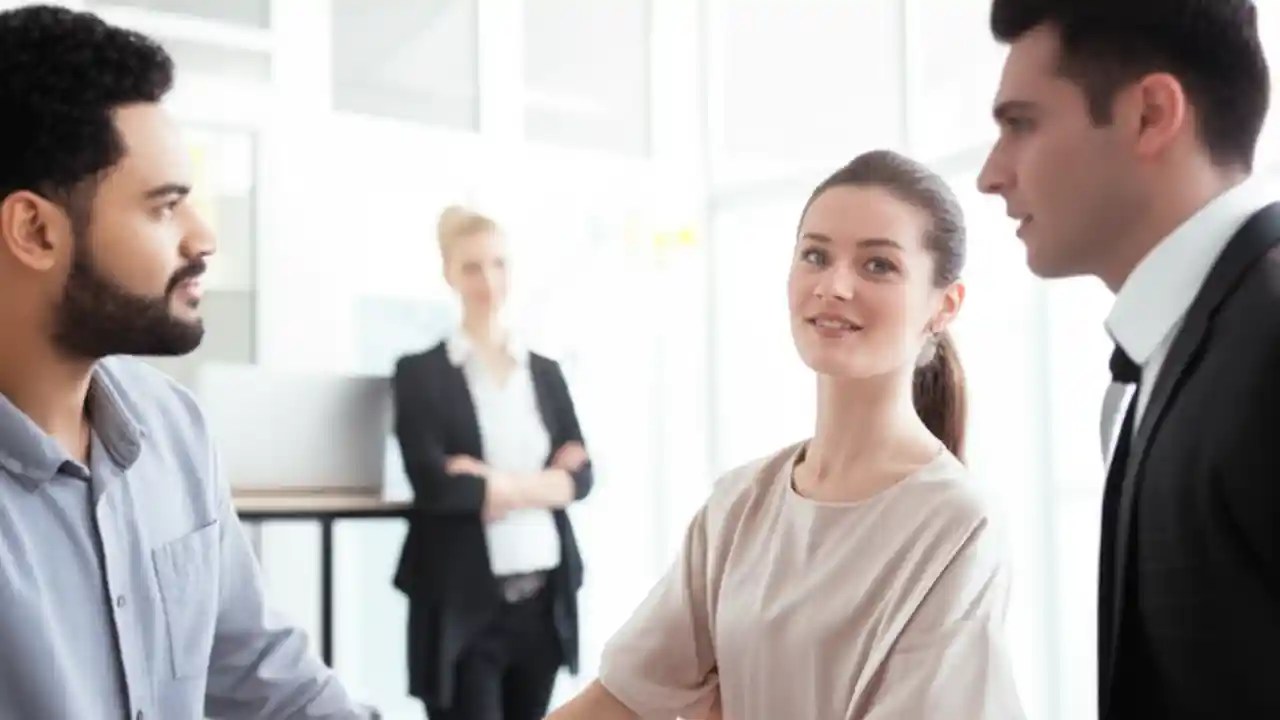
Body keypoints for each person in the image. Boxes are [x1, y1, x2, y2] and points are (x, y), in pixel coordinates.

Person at [548, 150, 1025, 720]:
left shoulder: (957, 521)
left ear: (944, 306)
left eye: (878, 265)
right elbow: (620, 699)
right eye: (816, 256)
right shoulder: (740, 503)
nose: (834, 286)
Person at [0, 5, 368, 720]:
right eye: (164, 207)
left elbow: (266, 683)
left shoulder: (171, 428)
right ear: (35, 231)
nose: (203, 239)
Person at [978, 1, 1280, 718]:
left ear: (1150, 115)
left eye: (1021, 124)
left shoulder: (1268, 340)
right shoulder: (1182, 346)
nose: (992, 174)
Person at [391, 206, 593, 720]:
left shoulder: (544, 371)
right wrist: (545, 485)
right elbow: (436, 486)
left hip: (543, 603)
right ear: (448, 274)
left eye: (499, 264)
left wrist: (491, 483)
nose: (489, 280)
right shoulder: (422, 374)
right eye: (473, 266)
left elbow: (582, 476)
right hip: (464, 606)